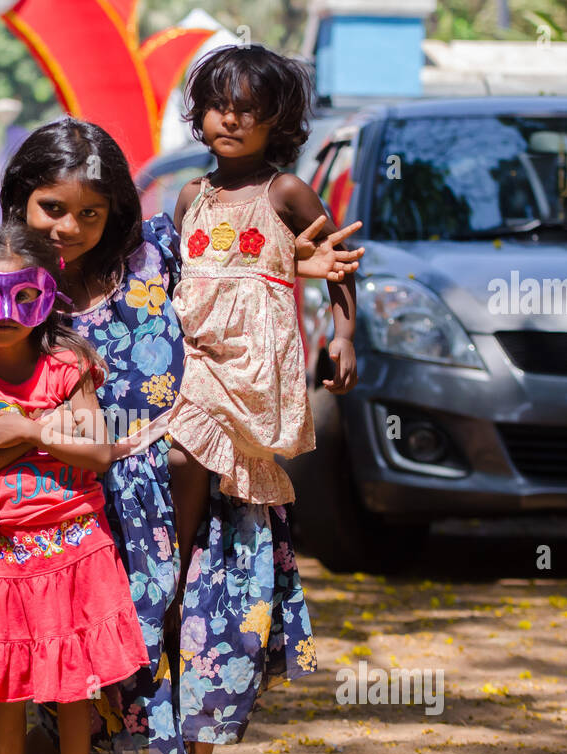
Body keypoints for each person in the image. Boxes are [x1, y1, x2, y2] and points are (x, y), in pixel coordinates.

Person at [0, 115, 361, 754]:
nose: (69, 227)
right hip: (63, 495)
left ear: (116, 210)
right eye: (52, 208)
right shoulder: (8, 288)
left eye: (90, 212)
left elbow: (231, 275)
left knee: (194, 622)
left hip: (183, 467)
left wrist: (305, 275)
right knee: (63, 633)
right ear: (19, 198)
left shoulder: (155, 253)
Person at [0, 223, 150, 754]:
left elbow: (98, 453)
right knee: (7, 692)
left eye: (24, 298)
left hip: (79, 547)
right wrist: (42, 430)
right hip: (6, 556)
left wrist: (26, 433)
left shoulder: (69, 365)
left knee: (75, 686)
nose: (6, 315)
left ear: (46, 296)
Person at [165, 43, 363, 609]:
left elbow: (340, 262)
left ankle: (204, 589)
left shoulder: (286, 192)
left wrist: (343, 338)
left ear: (277, 121)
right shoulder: (190, 198)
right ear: (200, 113)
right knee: (182, 457)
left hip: (254, 369)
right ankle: (173, 579)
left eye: (249, 109)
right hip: (196, 357)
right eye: (219, 105)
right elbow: (179, 276)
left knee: (231, 487)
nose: (231, 119)